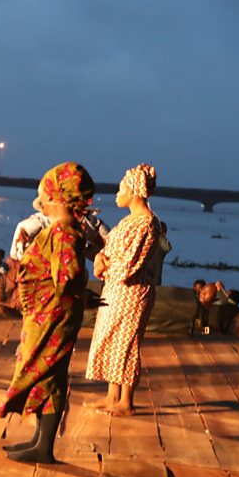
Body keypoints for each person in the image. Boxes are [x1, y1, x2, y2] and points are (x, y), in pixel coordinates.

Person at [0, 162, 94, 464]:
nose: (43, 204)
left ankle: (44, 447)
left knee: (47, 373)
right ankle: (38, 440)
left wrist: (77, 294)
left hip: (53, 316)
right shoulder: (61, 230)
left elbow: (68, 275)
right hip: (44, 314)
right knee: (43, 374)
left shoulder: (64, 232)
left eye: (45, 198)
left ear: (56, 198)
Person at [86, 164, 161, 416]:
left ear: (134, 191)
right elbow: (106, 250)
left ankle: (126, 402)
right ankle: (112, 396)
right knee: (111, 340)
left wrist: (105, 266)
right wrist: (99, 259)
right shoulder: (128, 220)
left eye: (121, 189)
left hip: (132, 292)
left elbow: (130, 265)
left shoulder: (147, 224)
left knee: (126, 344)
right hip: (115, 290)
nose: (117, 194)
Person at [144, 220, 171, 286]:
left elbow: (167, 247)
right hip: (152, 279)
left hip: (149, 279)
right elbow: (167, 247)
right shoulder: (157, 242)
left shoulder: (149, 241)